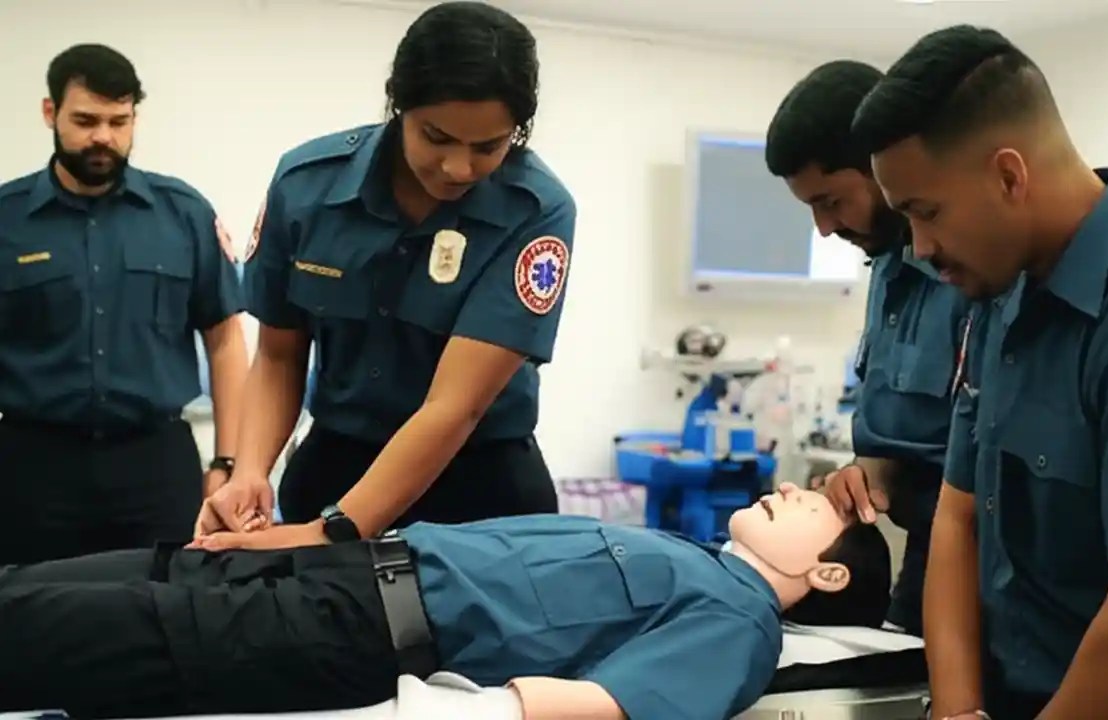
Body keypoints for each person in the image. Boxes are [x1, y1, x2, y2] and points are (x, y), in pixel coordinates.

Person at [849, 25, 1108, 720]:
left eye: (926, 214)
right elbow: (959, 517)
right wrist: (957, 711)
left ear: (1009, 176)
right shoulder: (1000, 295)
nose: (920, 248)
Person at [0, 483, 877, 720]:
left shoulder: (740, 622)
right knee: (36, 587)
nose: (792, 489)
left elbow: (610, 705)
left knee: (44, 631)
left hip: (350, 628)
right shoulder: (690, 554)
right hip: (343, 571)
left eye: (817, 506)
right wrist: (285, 542)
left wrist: (439, 711)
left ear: (830, 574)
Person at [198, 1, 577, 547]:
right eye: (436, 137)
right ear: (398, 103)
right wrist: (249, 472)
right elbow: (279, 356)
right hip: (336, 462)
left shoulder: (535, 210)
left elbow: (455, 406)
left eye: (488, 147)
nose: (458, 168)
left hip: (479, 485)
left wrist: (335, 531)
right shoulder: (307, 187)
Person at [0, 44, 249, 565]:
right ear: (50, 112)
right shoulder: (8, 220)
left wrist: (228, 462)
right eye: (85, 120)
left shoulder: (182, 214)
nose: (103, 137)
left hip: (155, 464)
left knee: (168, 601)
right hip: (34, 466)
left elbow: (225, 340)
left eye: (119, 121)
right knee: (32, 606)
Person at [765, 60, 971, 637]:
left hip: (991, 555)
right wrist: (867, 471)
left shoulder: (972, 271)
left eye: (832, 201)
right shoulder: (885, 264)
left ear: (883, 167)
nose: (824, 228)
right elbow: (906, 422)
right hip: (927, 547)